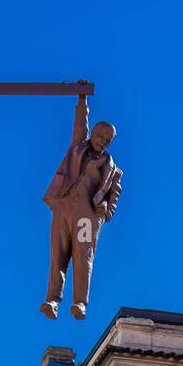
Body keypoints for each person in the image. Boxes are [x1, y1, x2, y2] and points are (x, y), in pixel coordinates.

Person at [40, 92, 122, 321]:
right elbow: (80, 124)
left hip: (87, 214)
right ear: (93, 133)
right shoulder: (77, 148)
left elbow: (113, 199)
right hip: (64, 206)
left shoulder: (113, 170)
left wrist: (105, 209)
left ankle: (79, 303)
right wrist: (82, 99)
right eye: (99, 134)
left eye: (107, 137)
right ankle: (53, 300)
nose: (102, 139)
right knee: (58, 253)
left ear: (110, 142)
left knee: (82, 254)